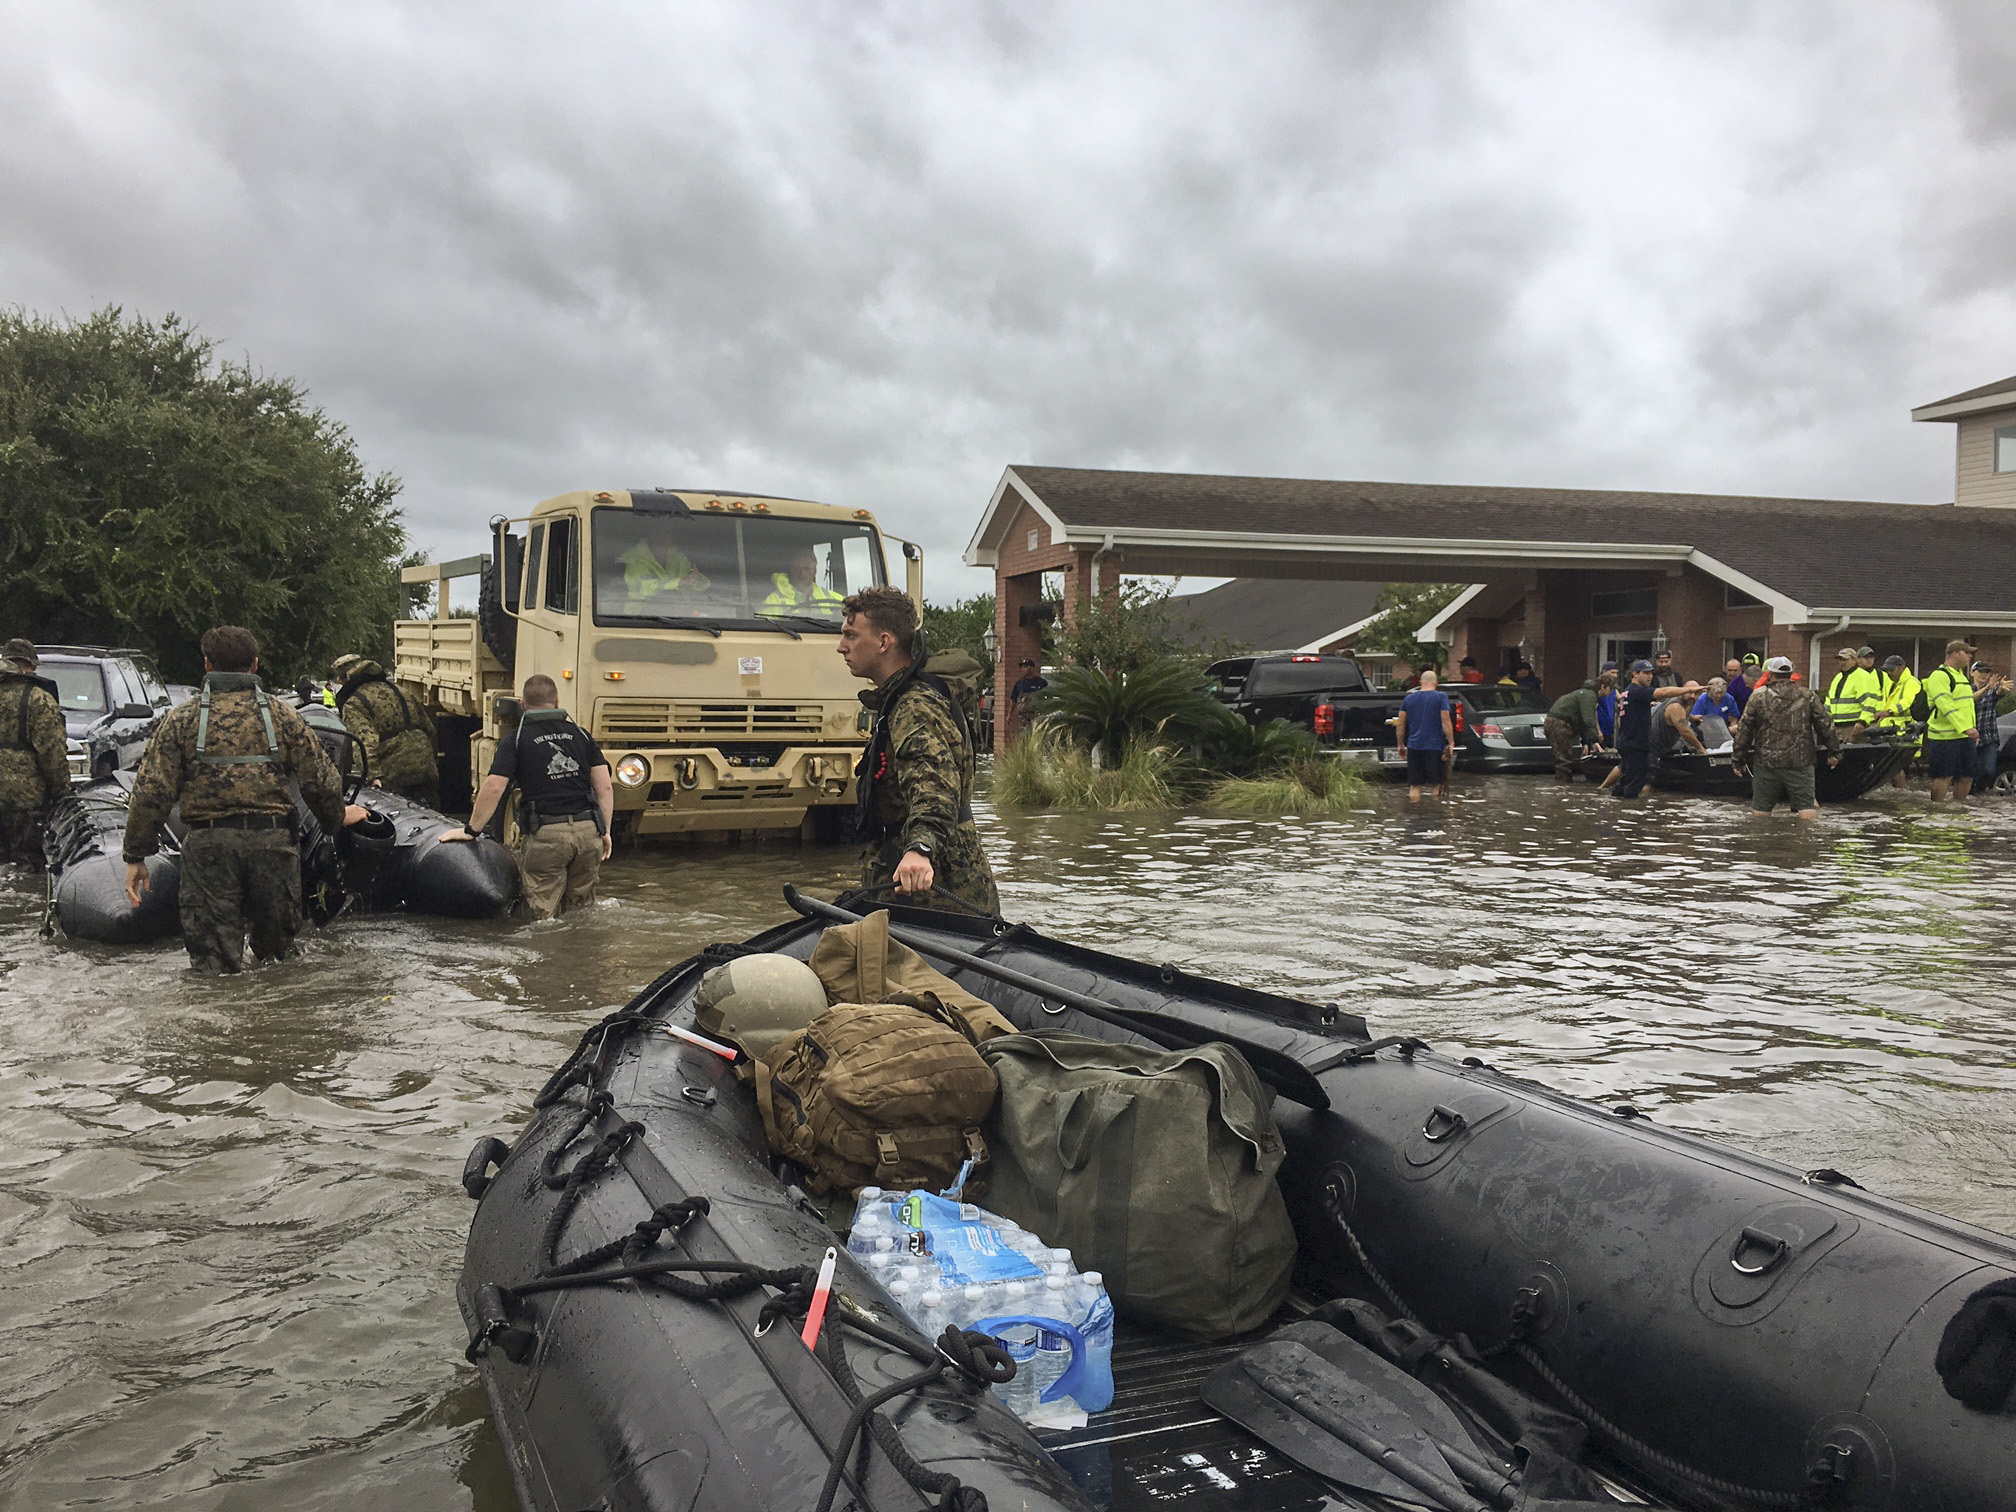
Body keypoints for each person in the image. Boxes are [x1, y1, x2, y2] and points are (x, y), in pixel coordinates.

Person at [122, 626, 364, 971]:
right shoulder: (283, 716)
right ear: (255, 665)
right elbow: (320, 780)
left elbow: (151, 791)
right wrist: (336, 819)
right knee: (278, 960)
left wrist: (136, 855)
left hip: (208, 850)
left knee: (213, 965)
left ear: (207, 664)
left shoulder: (182, 719)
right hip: (273, 847)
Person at [837, 585, 997, 912]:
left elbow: (935, 784)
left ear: (884, 642)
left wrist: (920, 849)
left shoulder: (916, 707)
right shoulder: (899, 701)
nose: (841, 647)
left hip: (936, 892)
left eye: (851, 636)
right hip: (910, 881)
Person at [449, 674, 611, 917]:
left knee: (540, 914)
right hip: (588, 834)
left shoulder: (515, 739)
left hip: (548, 836)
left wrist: (471, 830)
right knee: (582, 911)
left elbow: (494, 787)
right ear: (557, 701)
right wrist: (605, 830)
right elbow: (605, 787)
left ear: (523, 705)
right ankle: (584, 953)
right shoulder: (582, 735)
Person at [1732, 654, 1840, 821]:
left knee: (1761, 811)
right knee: (1806, 808)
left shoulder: (1758, 697)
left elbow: (1744, 730)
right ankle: (1807, 843)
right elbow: (1825, 725)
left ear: (1770, 674)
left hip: (1766, 763)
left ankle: (1760, 842)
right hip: (1800, 762)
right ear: (1791, 674)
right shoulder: (1807, 696)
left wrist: (1738, 759)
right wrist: (1834, 752)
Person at [0, 639, 71, 871]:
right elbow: (53, 755)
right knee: (27, 868)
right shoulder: (38, 699)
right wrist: (62, 795)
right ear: (27, 666)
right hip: (25, 804)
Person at [331, 653, 439, 805]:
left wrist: (373, 776)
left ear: (343, 679)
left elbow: (364, 742)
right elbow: (429, 729)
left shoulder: (355, 702)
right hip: (425, 766)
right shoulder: (402, 691)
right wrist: (432, 760)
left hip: (393, 772)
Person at [1613, 662, 1700, 800]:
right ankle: (1629, 814)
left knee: (1625, 778)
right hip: (1636, 744)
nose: (1650, 677)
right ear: (1635, 674)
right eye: (1646, 673)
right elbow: (1664, 692)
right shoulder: (1638, 691)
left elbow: (1622, 718)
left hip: (1626, 741)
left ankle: (1615, 804)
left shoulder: (1627, 692)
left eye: (1651, 673)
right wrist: (1687, 689)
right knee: (1635, 782)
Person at [1922, 639, 1980, 803]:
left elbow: (1967, 707)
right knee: (1943, 776)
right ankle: (1937, 809)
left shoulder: (1961, 676)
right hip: (1944, 737)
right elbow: (1945, 705)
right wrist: (1966, 728)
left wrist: (1972, 730)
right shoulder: (1940, 676)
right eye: (1967, 652)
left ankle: (1957, 809)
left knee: (1967, 776)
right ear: (1956, 654)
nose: (1970, 656)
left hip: (1965, 737)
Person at [1394, 667, 1455, 800]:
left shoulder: (1408, 699)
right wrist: (1451, 742)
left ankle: (1415, 812)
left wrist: (1400, 744)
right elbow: (1445, 720)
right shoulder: (1441, 697)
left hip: (1414, 746)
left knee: (1414, 785)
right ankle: (1434, 812)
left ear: (1420, 682)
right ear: (1436, 683)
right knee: (1437, 784)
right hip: (1434, 747)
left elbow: (1401, 723)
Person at [619, 520, 710, 607]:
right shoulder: (635, 558)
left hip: (678, 615)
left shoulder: (677, 556)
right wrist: (680, 582)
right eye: (661, 531)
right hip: (638, 618)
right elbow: (646, 588)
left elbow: (703, 586)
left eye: (669, 532)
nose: (666, 536)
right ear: (651, 534)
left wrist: (697, 579)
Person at [1544, 671, 1611, 781]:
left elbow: (1582, 720)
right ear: (1603, 687)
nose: (1611, 692)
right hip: (1559, 724)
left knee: (1564, 758)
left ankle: (1563, 786)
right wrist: (1595, 741)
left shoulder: (1586, 694)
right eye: (1611, 689)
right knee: (1564, 760)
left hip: (1558, 723)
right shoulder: (1589, 696)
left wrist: (1585, 742)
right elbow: (1589, 719)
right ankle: (1563, 787)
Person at [1874, 654, 1921, 789]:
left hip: (1904, 732)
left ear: (1901, 668)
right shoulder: (1892, 684)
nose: (1888, 673)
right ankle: (1900, 792)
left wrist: (1889, 712)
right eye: (1887, 670)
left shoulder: (1911, 682)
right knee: (1893, 767)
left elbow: (1906, 702)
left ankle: (1902, 793)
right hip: (1891, 731)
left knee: (1896, 767)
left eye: (1891, 669)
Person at [760, 550, 844, 617]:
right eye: (797, 569)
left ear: (815, 571)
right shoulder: (774, 600)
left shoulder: (832, 598)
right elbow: (763, 629)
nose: (802, 574)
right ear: (791, 570)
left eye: (807, 569)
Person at [1824, 646, 1883, 740]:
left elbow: (1870, 702)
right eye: (1840, 659)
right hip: (1837, 727)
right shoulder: (1838, 678)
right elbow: (1829, 702)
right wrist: (1824, 720)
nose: (1842, 662)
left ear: (1854, 660)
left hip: (1854, 727)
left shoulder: (1862, 676)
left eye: (1845, 659)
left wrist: (1862, 722)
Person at [1972, 662, 2010, 796]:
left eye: (1987, 672)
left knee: (1988, 770)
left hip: (1989, 739)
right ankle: (1970, 795)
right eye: (1980, 671)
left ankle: (1980, 793)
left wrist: (2001, 689)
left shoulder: (1992, 691)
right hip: (1970, 738)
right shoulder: (1966, 689)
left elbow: (1997, 693)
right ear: (1972, 673)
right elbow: (1970, 699)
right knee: (1969, 773)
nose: (1984, 675)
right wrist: (1986, 688)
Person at [1653, 694, 1710, 760]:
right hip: (1653, 750)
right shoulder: (1676, 706)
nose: (1692, 696)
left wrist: (1691, 717)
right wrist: (1701, 748)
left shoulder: (1681, 703)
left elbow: (1679, 716)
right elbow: (1685, 732)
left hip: (1662, 749)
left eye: (1696, 693)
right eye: (1690, 692)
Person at [1690, 677, 1741, 747]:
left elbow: (1734, 717)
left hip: (1725, 730)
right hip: (1706, 731)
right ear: (1708, 691)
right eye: (1716, 693)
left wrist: (1732, 728)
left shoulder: (1729, 699)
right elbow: (1696, 718)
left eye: (1721, 693)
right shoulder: (1702, 700)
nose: (1719, 696)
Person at [1596, 661, 1619, 747]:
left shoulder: (1614, 689)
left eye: (1616, 673)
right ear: (1604, 672)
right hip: (1599, 731)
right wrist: (1598, 730)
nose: (1615, 675)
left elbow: (1622, 700)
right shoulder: (1599, 688)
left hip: (1609, 730)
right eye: (1612, 672)